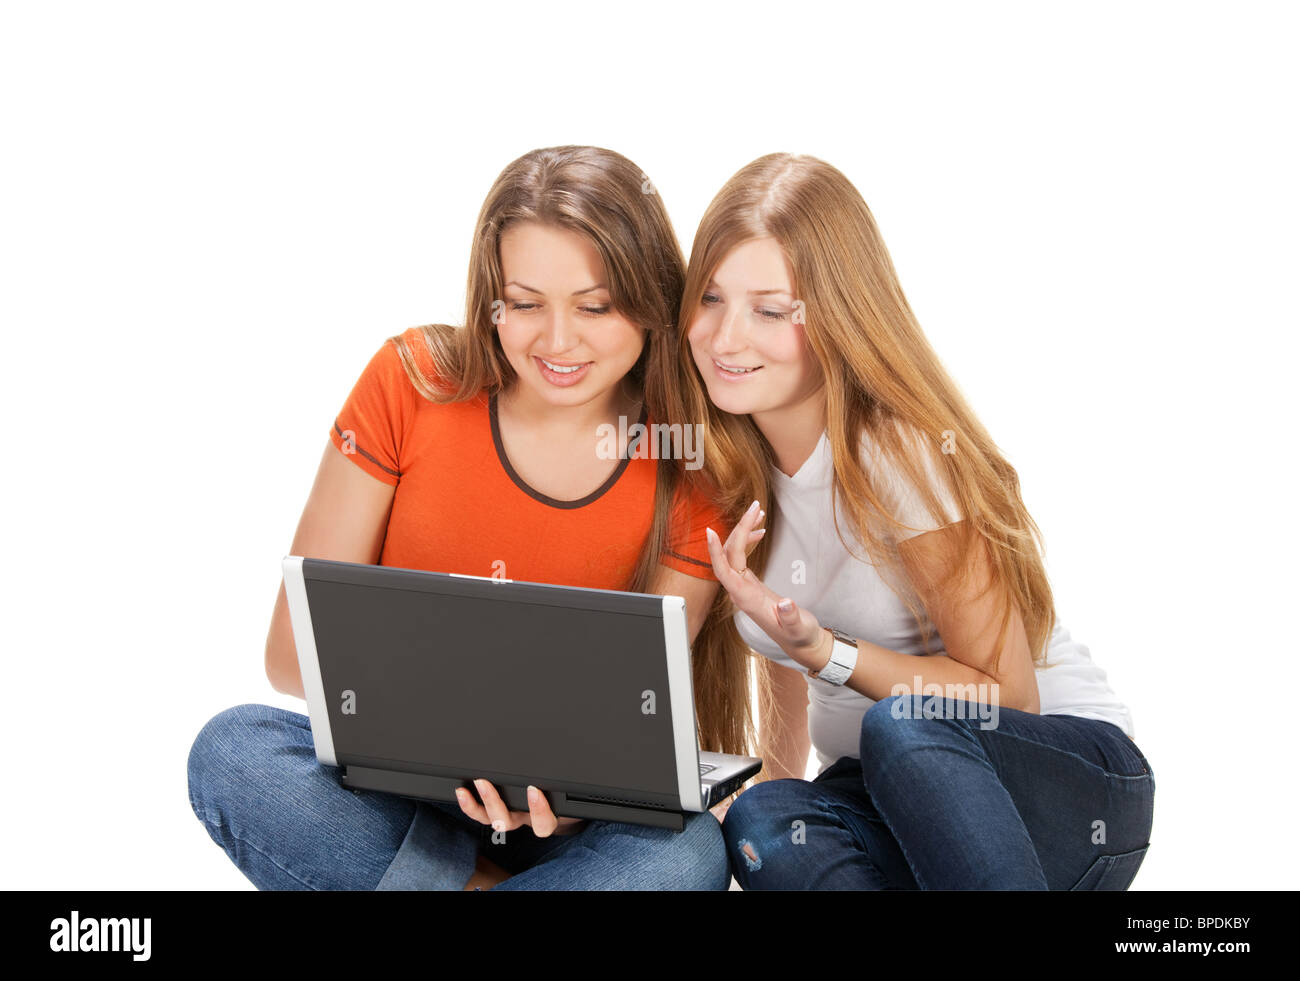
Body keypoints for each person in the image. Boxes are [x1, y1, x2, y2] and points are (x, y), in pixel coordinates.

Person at [187, 145, 755, 890]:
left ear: (652, 300)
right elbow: (293, 655)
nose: (557, 342)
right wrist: (458, 748)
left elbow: (636, 721)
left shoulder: (690, 462)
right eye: (525, 303)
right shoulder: (412, 381)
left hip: (559, 825)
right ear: (491, 299)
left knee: (687, 853)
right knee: (234, 750)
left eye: (594, 306)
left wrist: (562, 800)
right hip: (396, 799)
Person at [675, 152, 1155, 889]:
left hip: (1062, 788)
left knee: (903, 725)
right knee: (764, 819)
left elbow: (1006, 694)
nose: (724, 336)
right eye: (710, 298)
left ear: (837, 317)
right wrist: (767, 793)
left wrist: (827, 651)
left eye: (769, 310)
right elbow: (786, 681)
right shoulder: (734, 472)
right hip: (894, 807)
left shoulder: (899, 453)